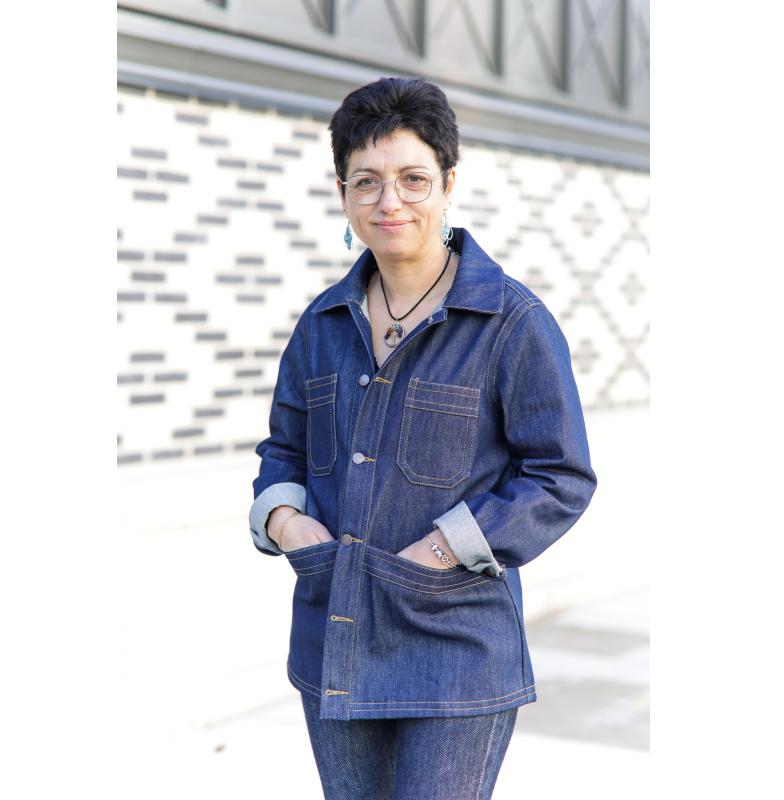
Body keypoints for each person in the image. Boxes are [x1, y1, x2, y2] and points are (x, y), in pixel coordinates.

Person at [249, 77, 597, 800]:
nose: (390, 201)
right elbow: (283, 448)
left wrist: (444, 549)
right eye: (367, 182)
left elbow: (560, 475)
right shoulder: (321, 325)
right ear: (343, 193)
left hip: (456, 654)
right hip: (335, 639)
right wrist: (285, 523)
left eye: (413, 179)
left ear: (448, 184)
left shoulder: (511, 323)